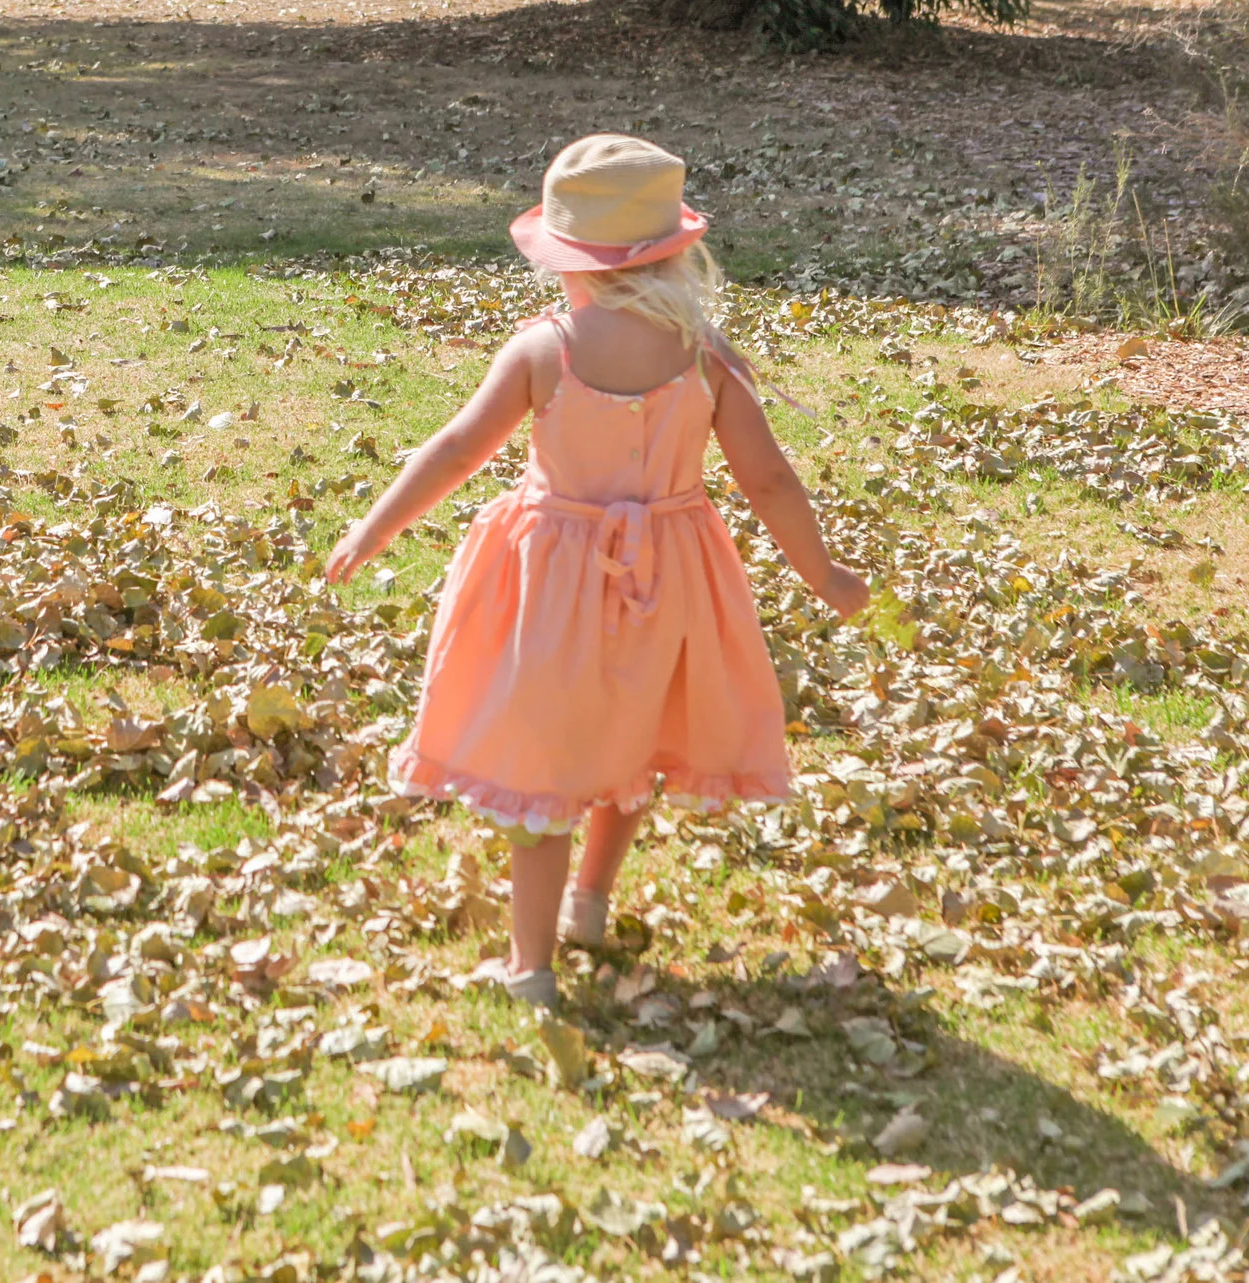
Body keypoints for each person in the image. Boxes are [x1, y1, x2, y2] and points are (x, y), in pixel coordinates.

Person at [325, 135, 868, 1009]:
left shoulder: (549, 350)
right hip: (672, 582)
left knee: (546, 770)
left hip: (554, 588)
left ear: (570, 259)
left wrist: (376, 525)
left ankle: (533, 967)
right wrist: (826, 573)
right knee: (636, 739)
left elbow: (460, 447)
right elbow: (769, 479)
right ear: (669, 252)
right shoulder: (705, 354)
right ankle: (590, 903)